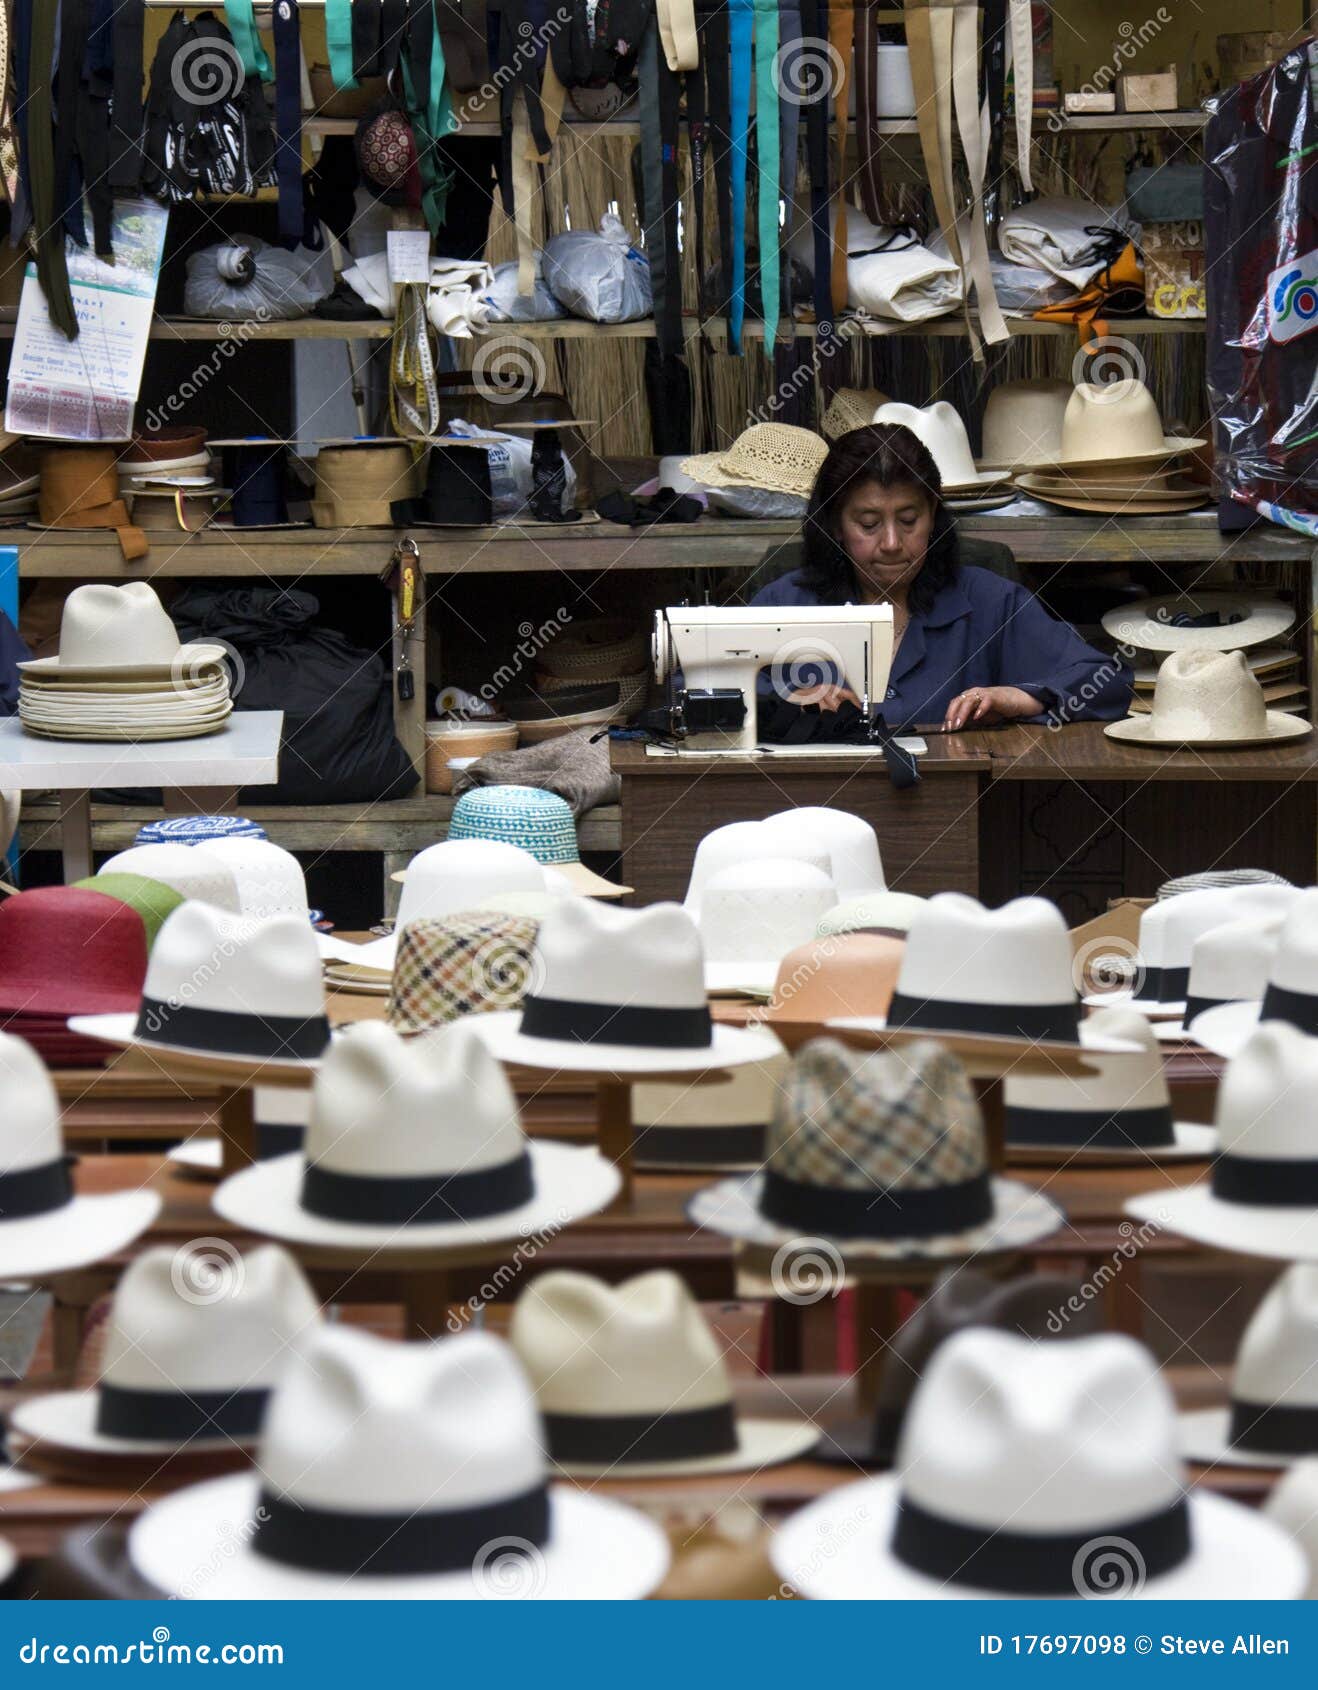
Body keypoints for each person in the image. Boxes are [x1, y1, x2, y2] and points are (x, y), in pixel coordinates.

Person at [751, 423, 1132, 732]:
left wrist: (1019, 698)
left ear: (933, 515)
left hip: (961, 797)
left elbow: (1106, 680)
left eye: (909, 520)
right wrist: (787, 699)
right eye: (868, 524)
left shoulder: (989, 602)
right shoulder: (784, 603)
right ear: (836, 524)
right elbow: (714, 686)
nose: (891, 543)